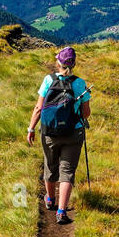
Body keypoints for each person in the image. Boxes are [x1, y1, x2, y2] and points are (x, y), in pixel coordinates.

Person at [25, 46, 91, 224]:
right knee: (67, 171)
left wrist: (31, 128)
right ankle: (61, 212)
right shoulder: (79, 84)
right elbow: (86, 113)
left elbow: (39, 108)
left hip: (49, 132)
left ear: (58, 62)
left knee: (50, 166)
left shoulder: (48, 80)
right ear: (74, 64)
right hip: (73, 132)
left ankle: (49, 199)